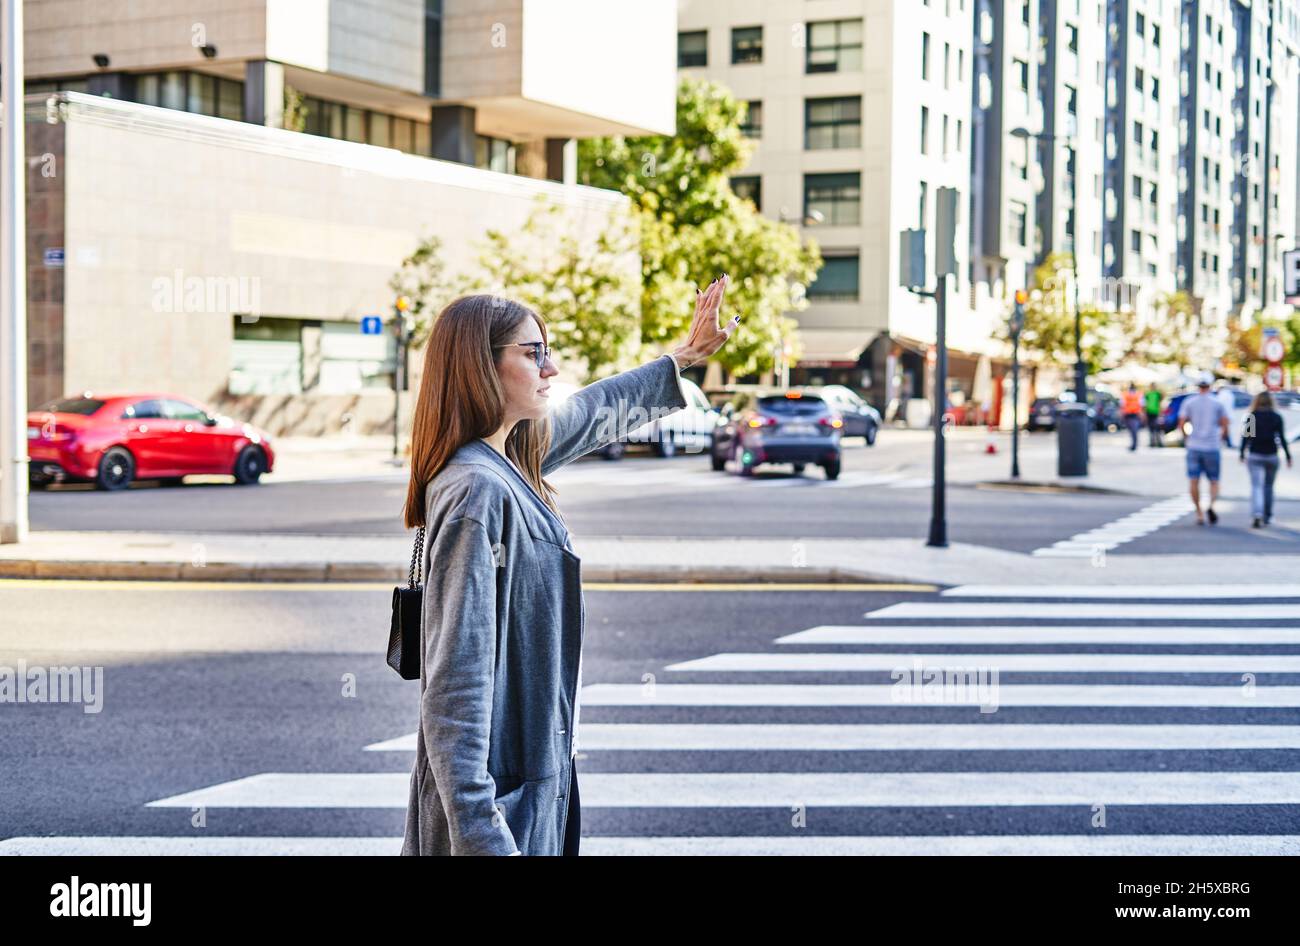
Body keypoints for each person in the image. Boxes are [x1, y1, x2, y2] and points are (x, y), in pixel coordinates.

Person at [399, 278, 737, 856]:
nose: (550, 369)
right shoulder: (478, 490)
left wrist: (683, 356)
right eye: (533, 354)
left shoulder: (507, 458)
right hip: (498, 819)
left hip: (530, 797)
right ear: (480, 368)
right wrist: (484, 838)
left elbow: (591, 413)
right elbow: (454, 690)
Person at [1177, 371, 1231, 526]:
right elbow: (1225, 424)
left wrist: (1187, 439)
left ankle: (1199, 512)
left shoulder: (1189, 402)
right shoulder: (1217, 403)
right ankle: (1211, 505)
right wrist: (1220, 439)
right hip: (1212, 446)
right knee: (1214, 481)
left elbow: (1181, 424)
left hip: (1194, 446)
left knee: (1194, 480)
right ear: (1210, 385)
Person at [1239, 390, 1292, 528]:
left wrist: (1241, 453)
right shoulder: (1276, 416)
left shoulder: (1252, 416)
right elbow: (1282, 438)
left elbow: (1246, 437)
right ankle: (1267, 516)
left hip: (1255, 454)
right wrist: (1288, 456)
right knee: (1268, 487)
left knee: (1256, 486)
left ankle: (1257, 513)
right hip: (1272, 455)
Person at [1121, 382, 1144, 450]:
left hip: (1131, 414)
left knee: (1133, 430)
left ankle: (1134, 445)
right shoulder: (1138, 394)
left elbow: (1122, 405)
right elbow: (1142, 405)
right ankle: (1134, 444)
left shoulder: (1126, 394)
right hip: (1134, 414)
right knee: (1134, 430)